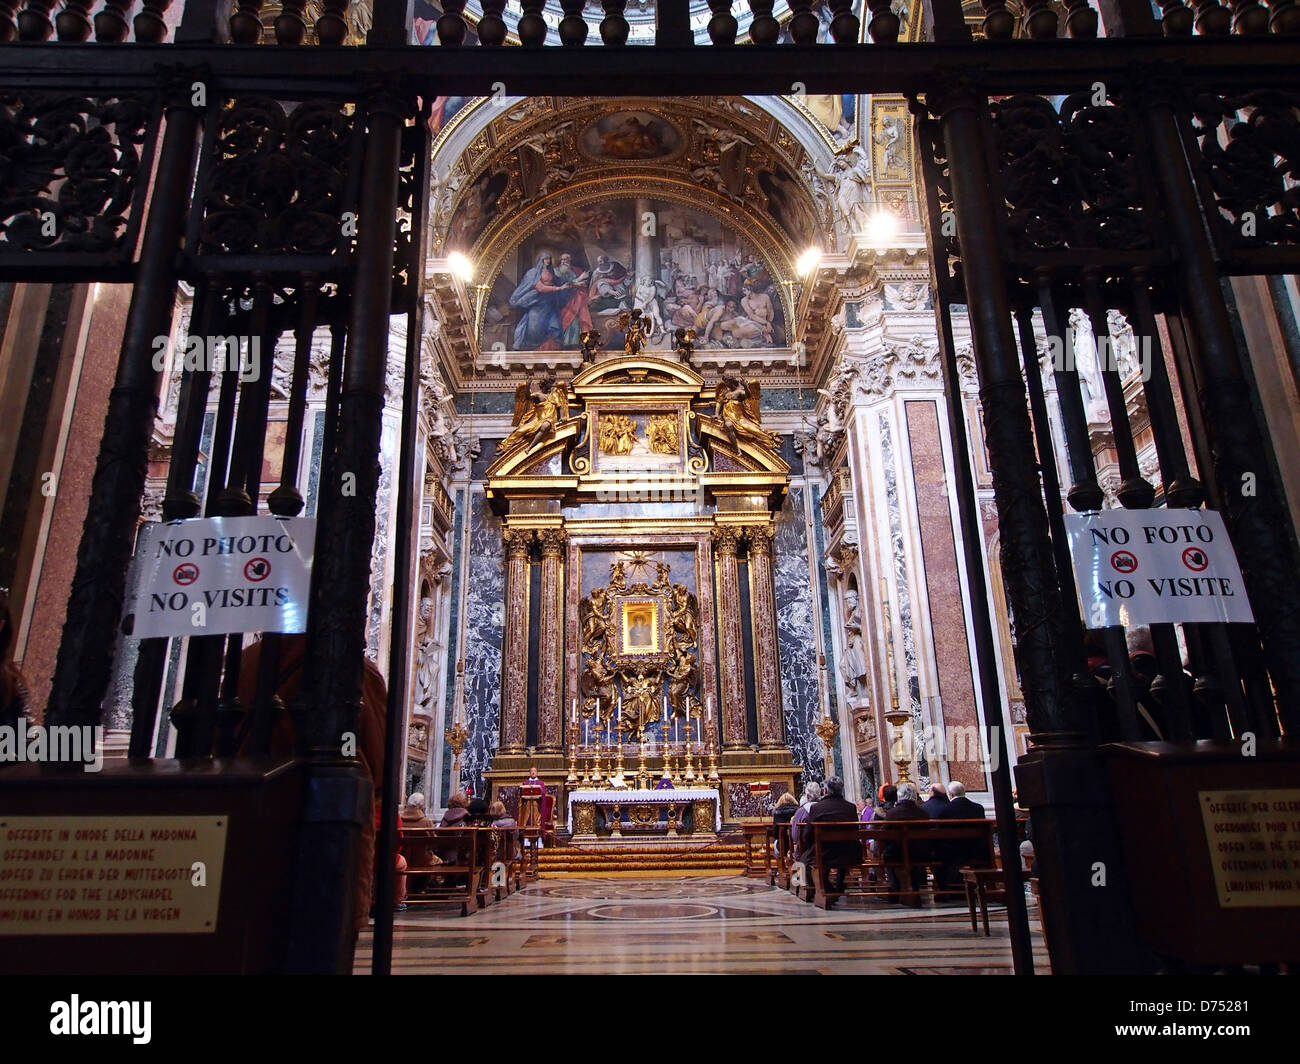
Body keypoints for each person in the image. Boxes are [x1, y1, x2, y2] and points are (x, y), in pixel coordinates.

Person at [801, 776, 861, 893]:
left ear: (825, 791)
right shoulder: (851, 808)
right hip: (850, 852)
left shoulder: (817, 808)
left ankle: (824, 887)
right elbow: (855, 830)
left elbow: (807, 834)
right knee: (841, 848)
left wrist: (810, 846)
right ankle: (839, 881)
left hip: (824, 853)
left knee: (804, 861)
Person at [882, 781, 929, 905]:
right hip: (921, 853)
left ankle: (897, 889)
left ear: (899, 796)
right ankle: (914, 887)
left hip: (898, 854)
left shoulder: (893, 813)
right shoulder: (923, 813)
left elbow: (884, 835)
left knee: (888, 856)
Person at [789, 781, 822, 860]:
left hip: (805, 853)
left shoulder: (801, 812)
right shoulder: (825, 809)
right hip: (827, 852)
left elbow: (795, 836)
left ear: (807, 796)